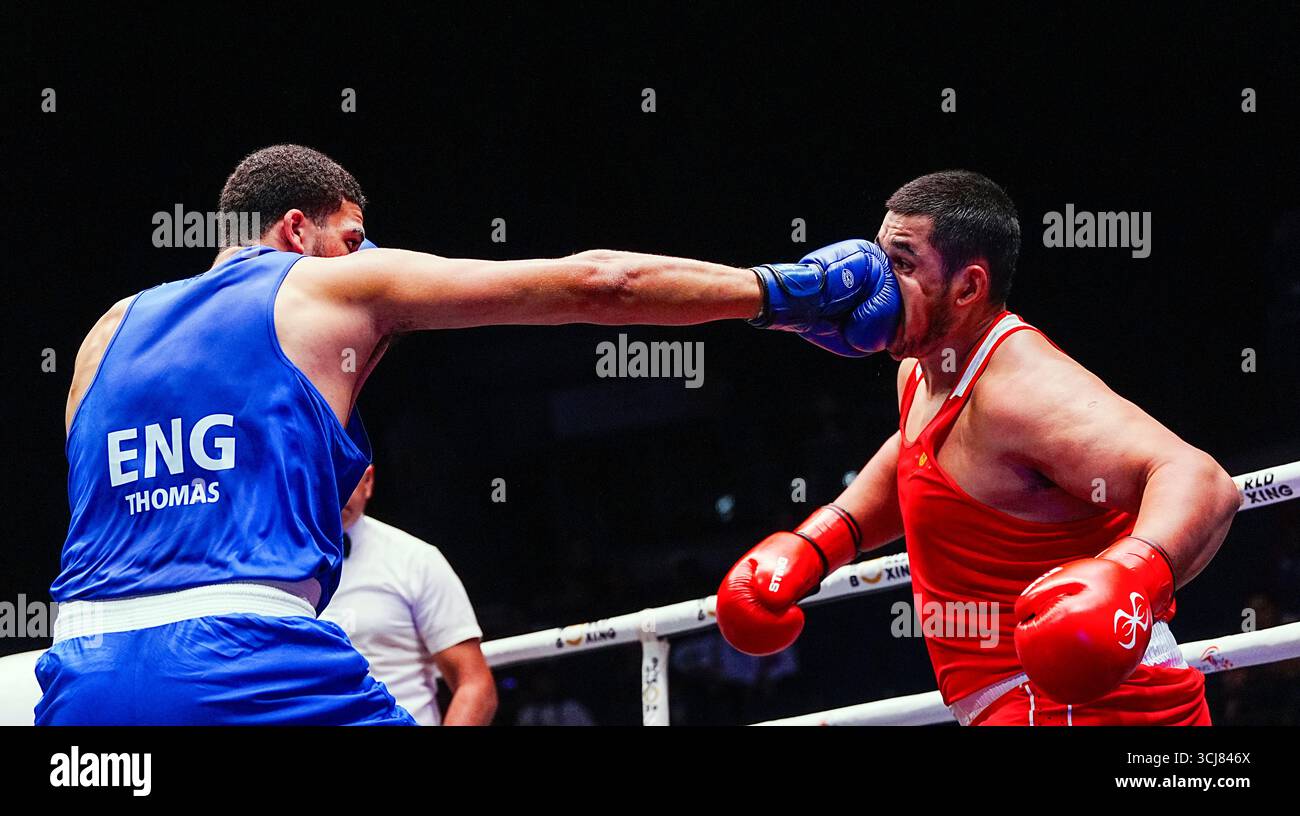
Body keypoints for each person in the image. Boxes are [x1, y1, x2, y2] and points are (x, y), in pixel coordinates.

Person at [37, 144, 900, 724]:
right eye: (352, 237)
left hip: (81, 673)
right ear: (297, 230)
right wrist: (781, 294)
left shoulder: (106, 330)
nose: (363, 253)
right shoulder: (319, 284)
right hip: (244, 657)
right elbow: (602, 282)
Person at [716, 170, 1241, 726]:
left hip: (1098, 702)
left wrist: (1131, 579)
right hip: (1017, 702)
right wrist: (822, 540)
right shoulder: (921, 373)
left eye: (902, 265)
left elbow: (1199, 478)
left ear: (967, 288)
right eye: (878, 256)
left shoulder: (1022, 388)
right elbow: (923, 456)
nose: (877, 284)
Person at [320, 466, 496, 725]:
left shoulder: (415, 560)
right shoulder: (271, 565)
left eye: (344, 470)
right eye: (324, 469)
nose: (336, 486)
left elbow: (475, 684)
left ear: (368, 480)